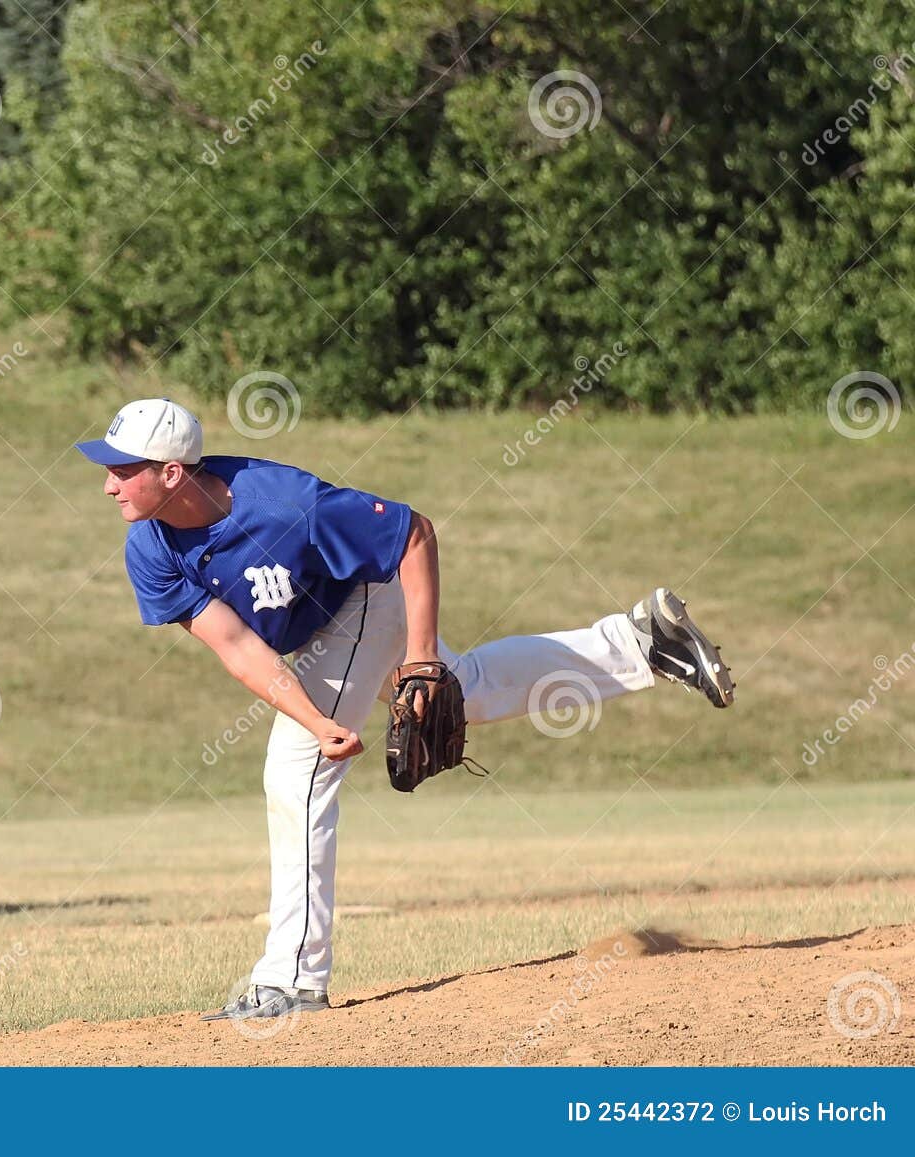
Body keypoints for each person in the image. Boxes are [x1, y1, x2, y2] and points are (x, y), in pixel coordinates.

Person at [75, 398, 733, 1021]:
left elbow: (414, 532)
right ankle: (643, 641)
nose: (108, 485)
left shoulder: (284, 504)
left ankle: (290, 979)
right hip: (317, 633)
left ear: (170, 472)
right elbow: (238, 645)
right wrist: (315, 715)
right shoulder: (150, 544)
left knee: (294, 772)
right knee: (466, 688)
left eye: (122, 469)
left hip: (368, 597)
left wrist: (418, 657)